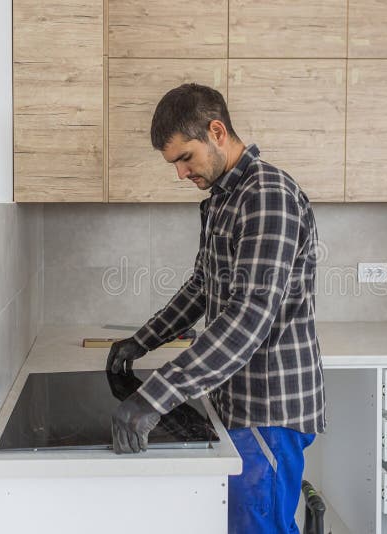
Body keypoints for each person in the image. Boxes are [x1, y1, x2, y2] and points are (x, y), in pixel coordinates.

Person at [106, 83, 326, 534]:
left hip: (268, 409)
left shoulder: (267, 196)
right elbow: (202, 288)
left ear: (217, 131)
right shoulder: (226, 199)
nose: (181, 174)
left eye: (185, 158)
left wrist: (156, 395)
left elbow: (248, 318)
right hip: (236, 401)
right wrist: (140, 342)